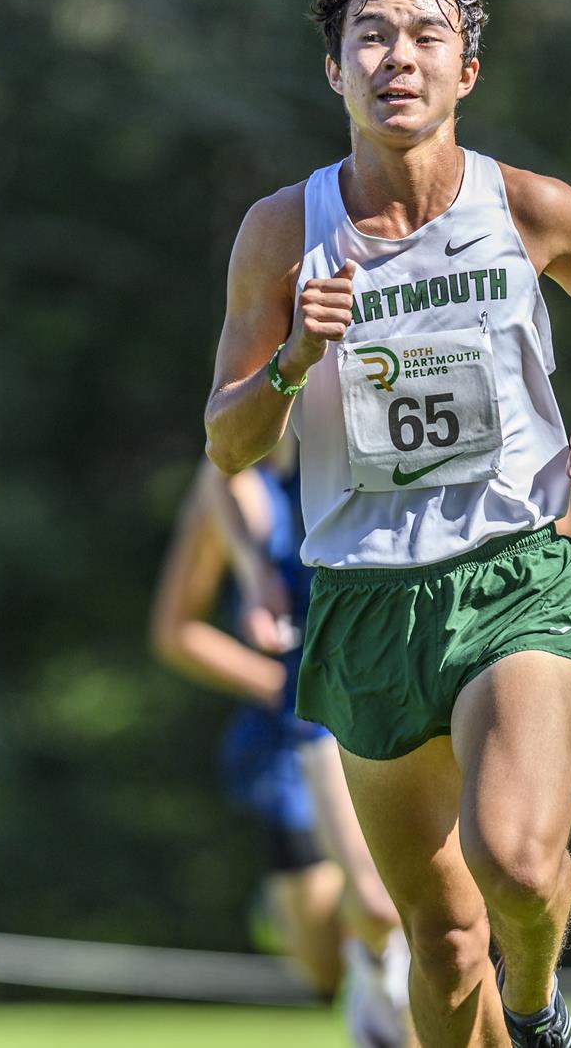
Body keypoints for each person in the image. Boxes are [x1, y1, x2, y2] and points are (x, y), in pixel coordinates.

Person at [202, 0, 571, 1048]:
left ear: (465, 72)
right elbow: (225, 441)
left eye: (425, 35)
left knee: (513, 860)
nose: (396, 57)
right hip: (362, 600)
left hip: (512, 571)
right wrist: (295, 361)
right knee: (442, 940)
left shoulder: (526, 205)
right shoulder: (279, 233)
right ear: (333, 72)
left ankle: (540, 1001)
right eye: (370, 35)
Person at [150, 443, 414, 1047]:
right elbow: (175, 631)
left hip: (386, 702)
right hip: (296, 727)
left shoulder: (378, 442)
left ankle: (394, 1000)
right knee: (322, 963)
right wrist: (281, 682)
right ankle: (321, 940)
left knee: (387, 906)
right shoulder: (230, 484)